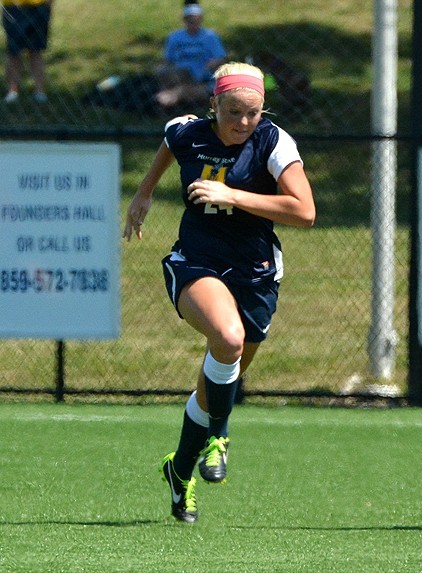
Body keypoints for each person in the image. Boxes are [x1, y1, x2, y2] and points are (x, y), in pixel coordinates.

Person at [123, 61, 315, 523]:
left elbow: (304, 211)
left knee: (214, 385)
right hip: (197, 261)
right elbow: (170, 141)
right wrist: (144, 192)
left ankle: (179, 473)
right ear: (214, 105)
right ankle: (219, 437)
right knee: (227, 340)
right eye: (233, 112)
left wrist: (233, 196)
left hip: (256, 272)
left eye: (253, 113)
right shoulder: (189, 131)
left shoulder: (273, 142)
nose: (243, 122)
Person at [155, 1, 226, 109]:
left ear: (201, 19)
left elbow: (220, 59)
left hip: (202, 78)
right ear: (185, 20)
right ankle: (167, 99)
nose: (193, 23)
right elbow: (168, 60)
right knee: (166, 72)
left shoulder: (210, 37)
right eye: (190, 21)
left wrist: (209, 66)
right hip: (179, 74)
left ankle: (165, 101)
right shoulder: (175, 37)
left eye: (196, 20)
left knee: (183, 90)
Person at [2, 0, 53, 103]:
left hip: (38, 6)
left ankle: (39, 91)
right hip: (12, 6)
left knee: (36, 51)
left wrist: (49, 3)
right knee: (14, 52)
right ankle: (12, 91)